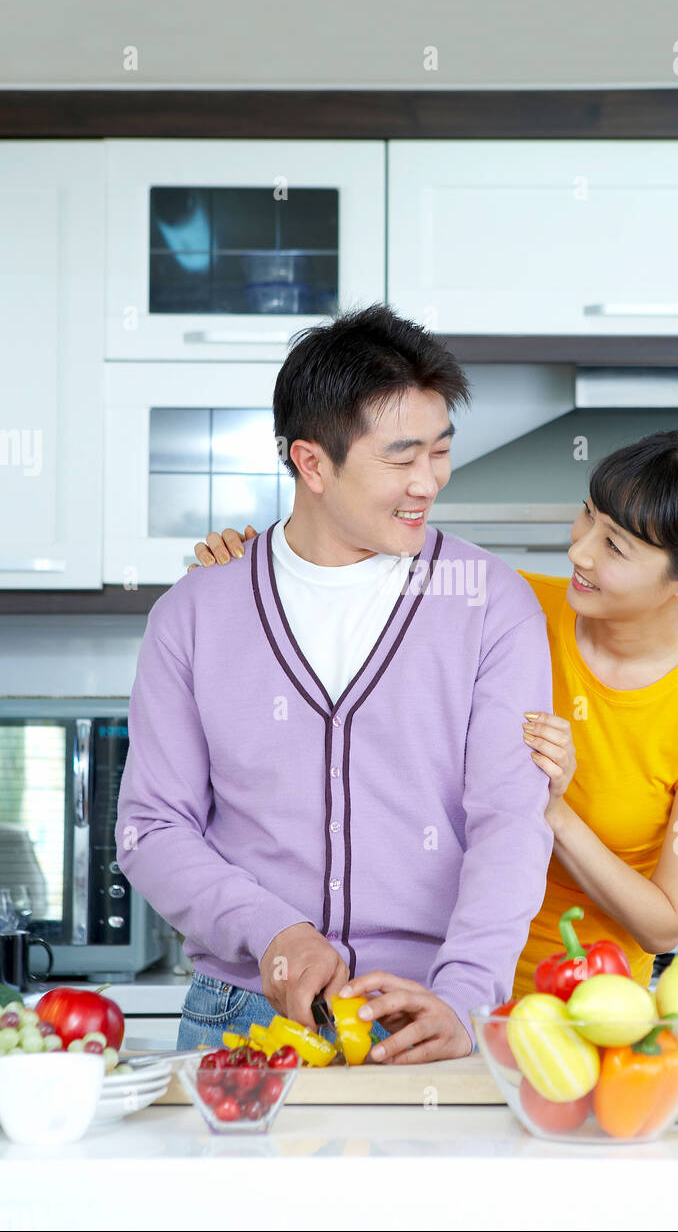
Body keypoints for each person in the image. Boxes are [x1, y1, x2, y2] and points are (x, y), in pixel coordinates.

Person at [195, 416, 678, 996]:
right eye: (588, 515)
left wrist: (553, 809)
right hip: (439, 984)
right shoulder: (509, 606)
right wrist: (265, 563)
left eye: (616, 547)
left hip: (578, 1011)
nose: (581, 552)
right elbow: (348, 575)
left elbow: (666, 923)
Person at [115, 304, 572, 1064]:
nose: (427, 482)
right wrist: (275, 933)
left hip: (426, 1022)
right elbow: (152, 828)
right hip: (242, 1018)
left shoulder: (491, 603)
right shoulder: (194, 613)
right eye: (400, 458)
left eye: (441, 452)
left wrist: (464, 997)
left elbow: (510, 818)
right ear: (313, 463)